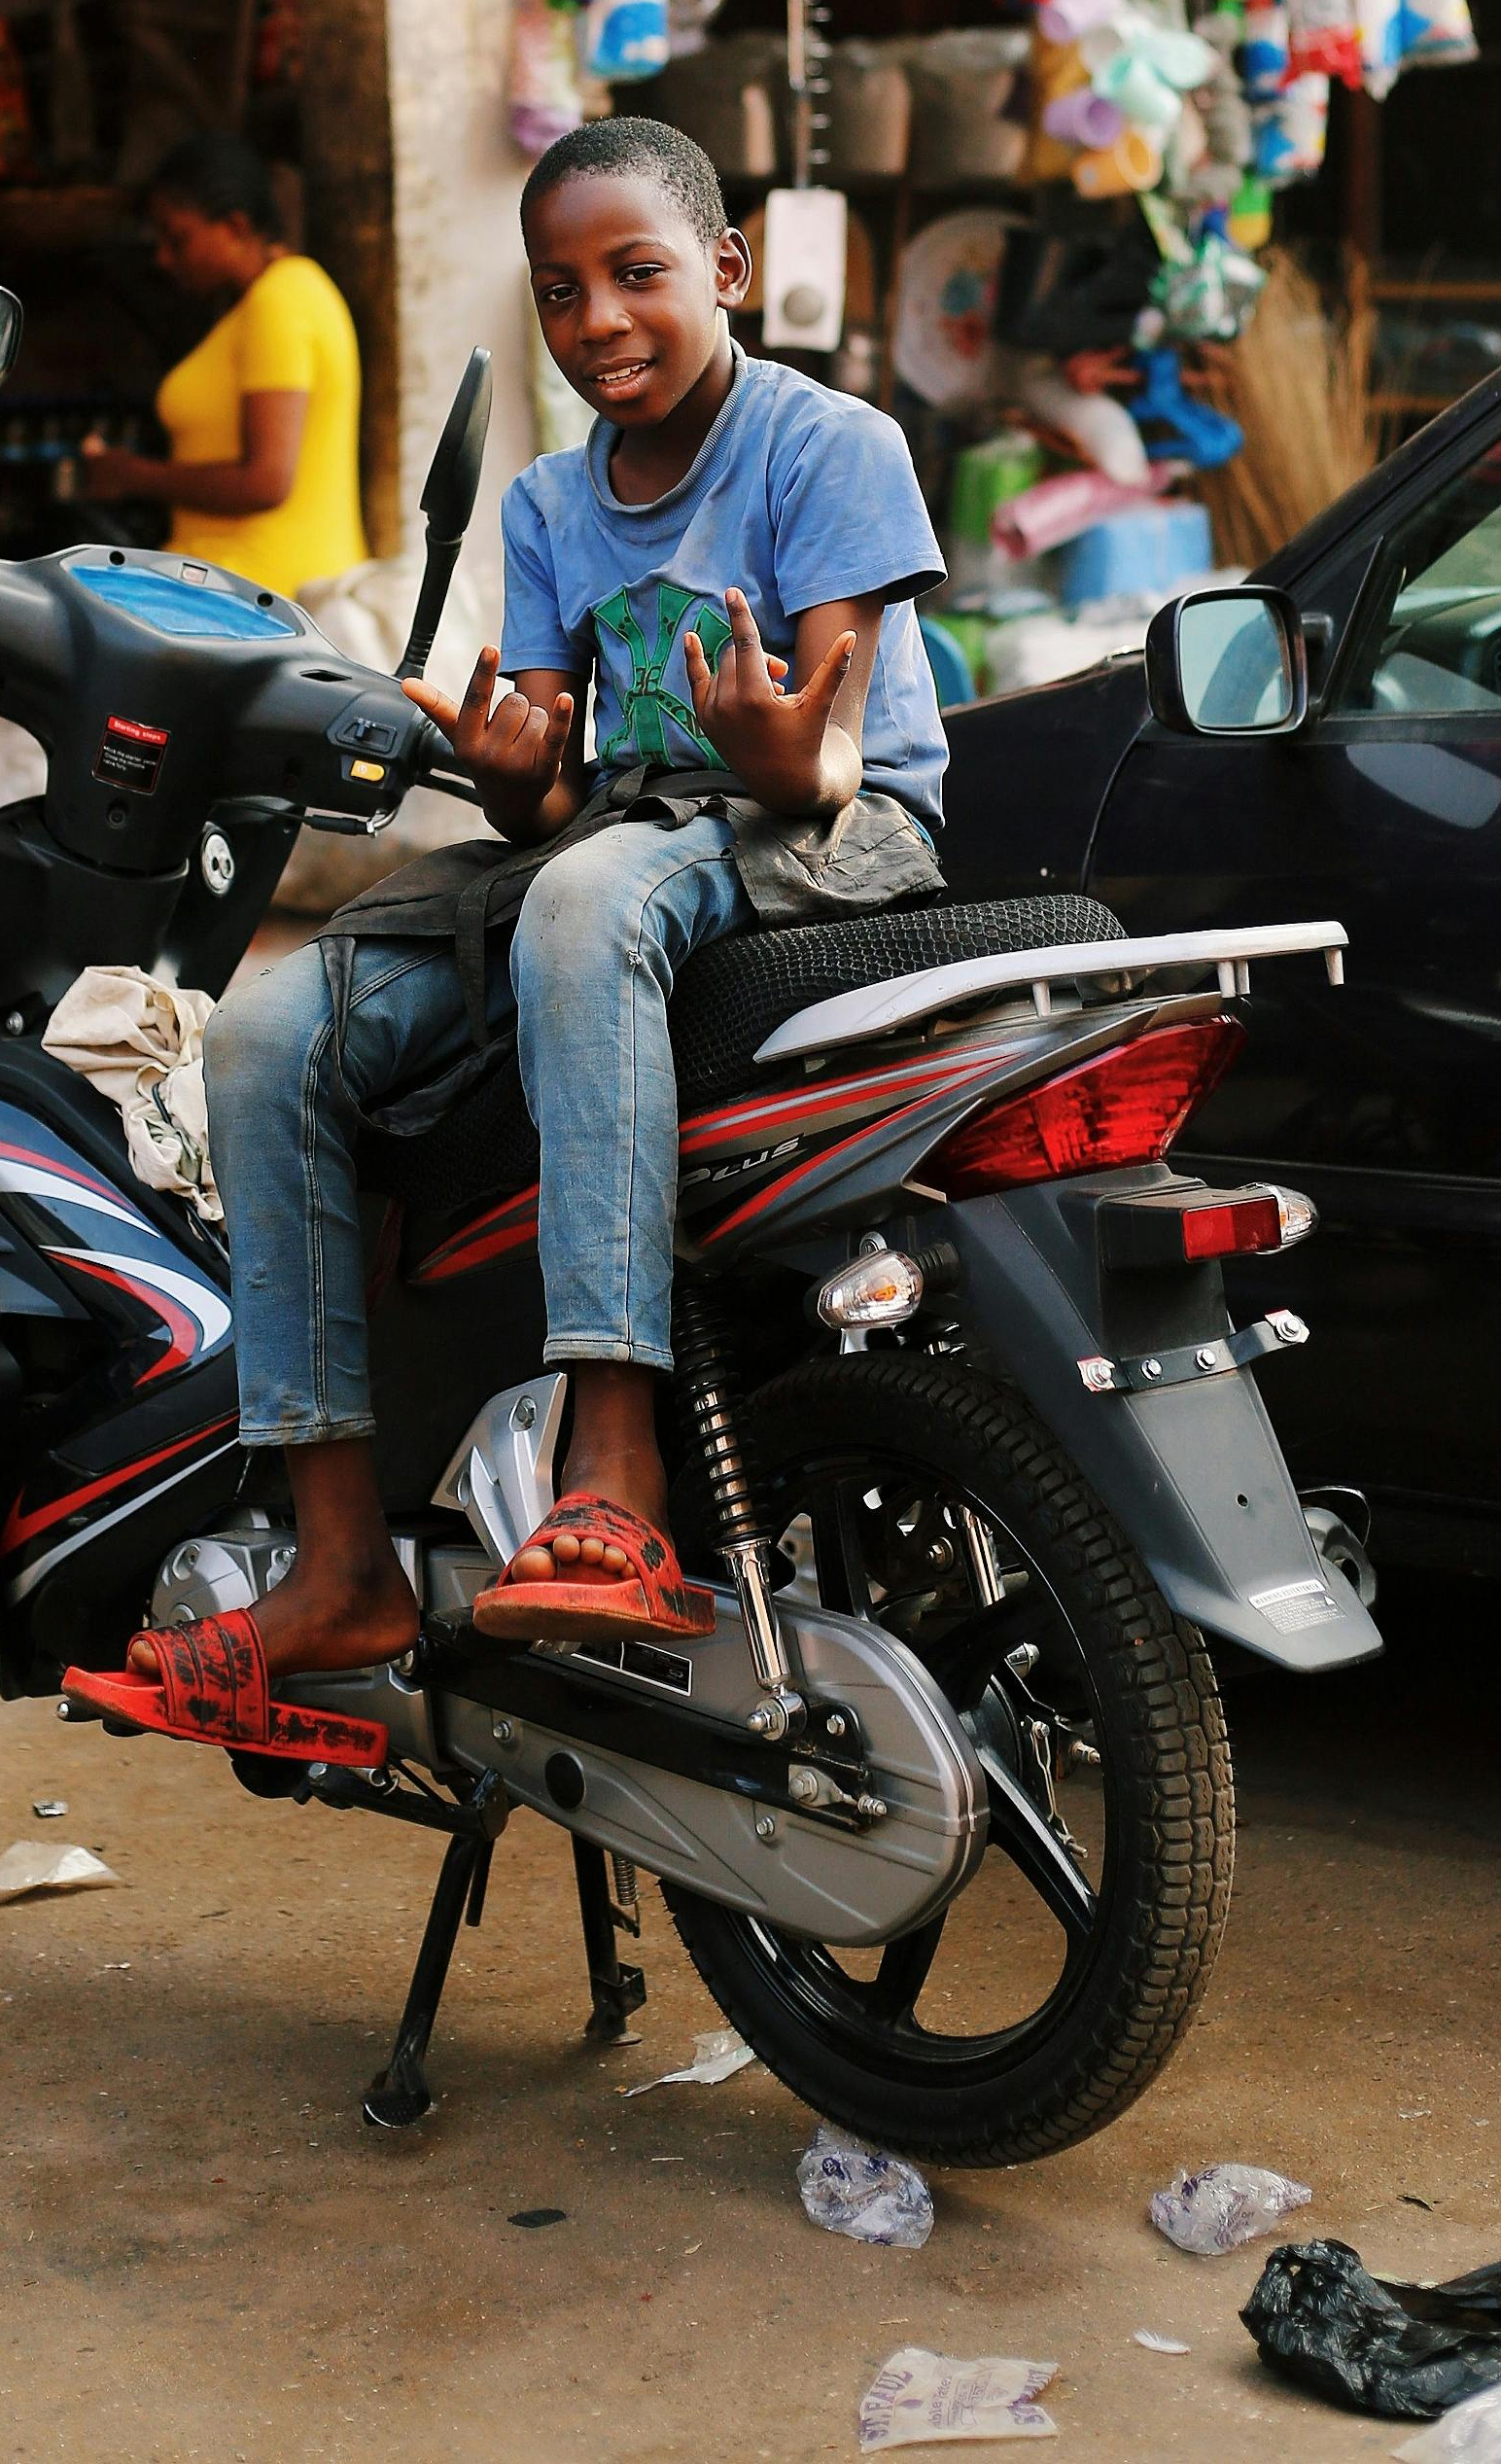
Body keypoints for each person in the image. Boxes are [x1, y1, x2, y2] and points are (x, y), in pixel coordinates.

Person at [66, 115, 950, 1750]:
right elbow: (557, 779)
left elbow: (828, 752)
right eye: (562, 292)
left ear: (726, 272)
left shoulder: (833, 447)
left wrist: (766, 752)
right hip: (635, 843)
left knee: (591, 895)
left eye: (638, 274)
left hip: (832, 837)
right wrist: (512, 773)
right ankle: (339, 1562)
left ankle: (612, 1472)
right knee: (267, 1028)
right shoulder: (548, 504)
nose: (600, 319)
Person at [78, 131, 364, 598]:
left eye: (178, 239)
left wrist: (131, 475)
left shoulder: (281, 300)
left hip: (262, 600)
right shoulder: (263, 303)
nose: (164, 258)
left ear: (234, 225)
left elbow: (266, 481)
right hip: (241, 592)